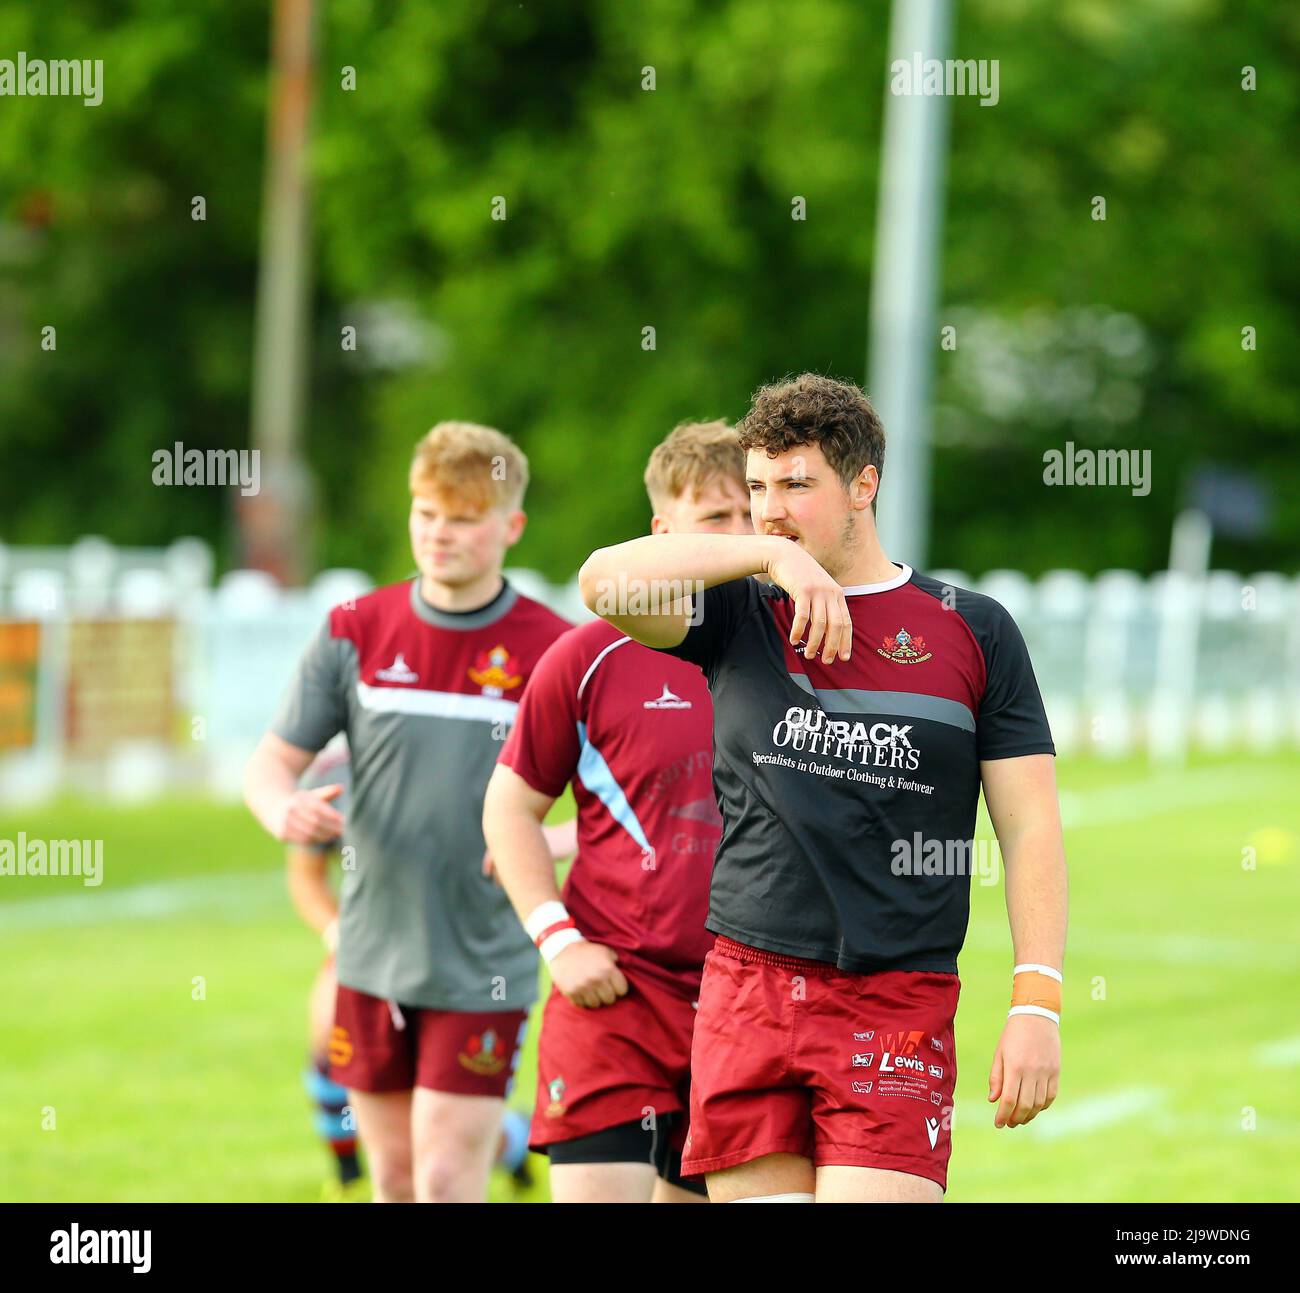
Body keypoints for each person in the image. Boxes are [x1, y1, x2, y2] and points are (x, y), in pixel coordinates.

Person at [577, 373, 1068, 1203]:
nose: (772, 507)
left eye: (796, 485)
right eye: (759, 486)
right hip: (746, 987)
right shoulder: (736, 614)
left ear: (864, 486)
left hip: (896, 998)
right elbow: (602, 581)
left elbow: (1030, 829)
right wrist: (770, 555)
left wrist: (1038, 1004)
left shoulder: (973, 629)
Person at [245, 421, 572, 1202]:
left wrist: (543, 840)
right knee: (393, 1178)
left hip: (482, 960)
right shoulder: (355, 630)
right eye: (426, 513)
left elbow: (619, 800)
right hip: (370, 957)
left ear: (510, 526)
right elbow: (269, 764)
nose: (439, 533)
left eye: (462, 517)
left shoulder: (556, 649)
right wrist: (280, 807)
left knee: (448, 1174)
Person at [483, 420, 750, 1203]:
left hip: (746, 1004)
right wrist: (558, 941)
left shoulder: (795, 652)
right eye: (713, 519)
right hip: (614, 996)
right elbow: (509, 808)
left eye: (748, 517)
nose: (737, 539)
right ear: (662, 533)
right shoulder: (588, 655)